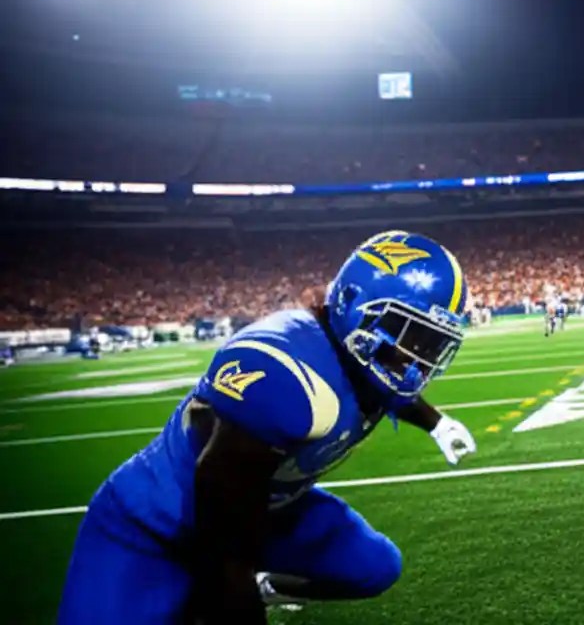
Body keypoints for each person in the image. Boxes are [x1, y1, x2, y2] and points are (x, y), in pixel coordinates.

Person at [58, 231, 477, 625]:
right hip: (155, 520)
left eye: (430, 346)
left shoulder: (369, 359)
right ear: (354, 306)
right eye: (410, 338)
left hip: (271, 507)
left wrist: (436, 422)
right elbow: (224, 546)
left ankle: (266, 586)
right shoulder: (286, 377)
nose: (416, 362)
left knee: (375, 566)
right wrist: (230, 590)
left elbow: (395, 388)